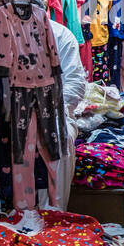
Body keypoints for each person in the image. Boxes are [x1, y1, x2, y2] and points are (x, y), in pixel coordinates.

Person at [46, 17, 87, 210]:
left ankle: (55, 218)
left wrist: (53, 112)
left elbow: (75, 83)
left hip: (56, 113)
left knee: (62, 138)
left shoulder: (61, 34)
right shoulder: (1, 29)